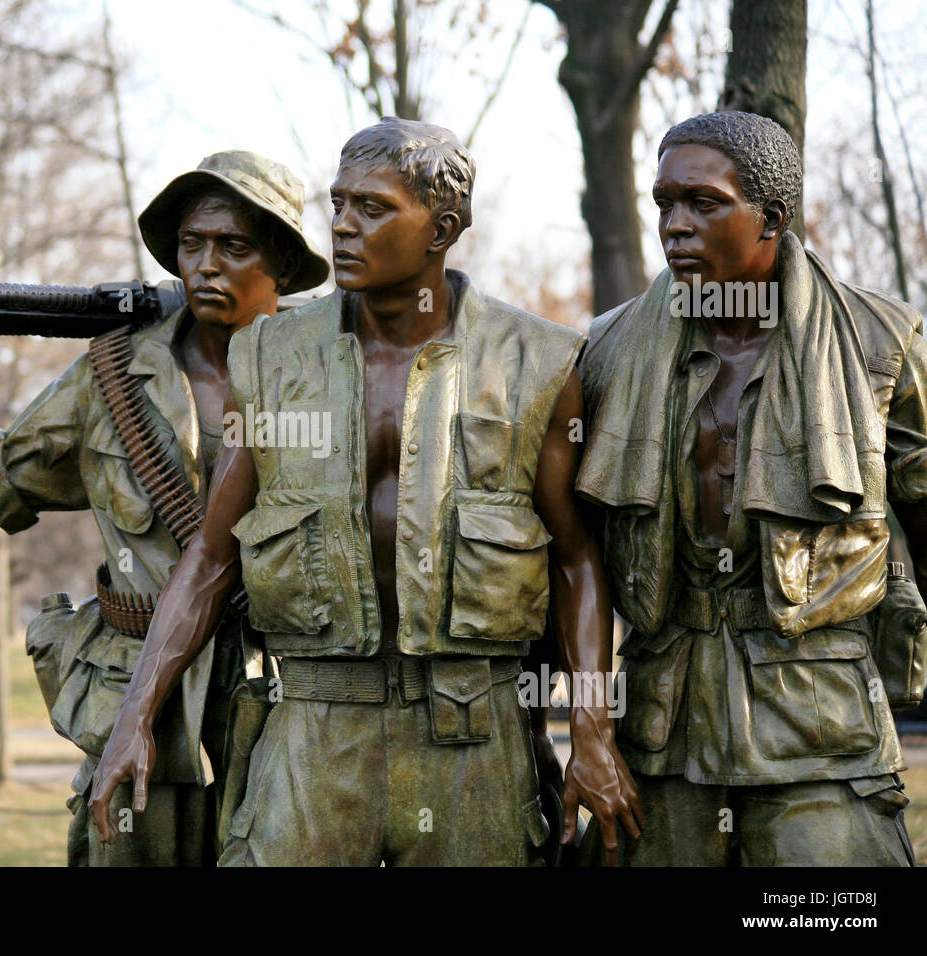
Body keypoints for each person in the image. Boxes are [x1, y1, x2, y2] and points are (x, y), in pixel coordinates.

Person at [89, 117, 642, 866]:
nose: (342, 227)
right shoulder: (270, 357)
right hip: (314, 727)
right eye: (338, 203)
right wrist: (136, 715)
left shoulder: (535, 362)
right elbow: (212, 559)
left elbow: (578, 561)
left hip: (471, 733)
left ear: (442, 228)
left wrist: (593, 734)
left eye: (373, 209)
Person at [0, 151, 329, 866]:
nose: (206, 265)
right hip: (141, 711)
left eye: (234, 246)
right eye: (192, 244)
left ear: (283, 265)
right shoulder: (111, 376)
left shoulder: (330, 381)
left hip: (285, 705)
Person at [576, 110, 924, 865]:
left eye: (703, 203)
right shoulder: (608, 350)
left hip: (819, 724)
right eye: (664, 204)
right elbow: (576, 557)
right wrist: (587, 726)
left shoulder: (881, 343)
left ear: (772, 218)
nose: (676, 226)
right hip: (662, 721)